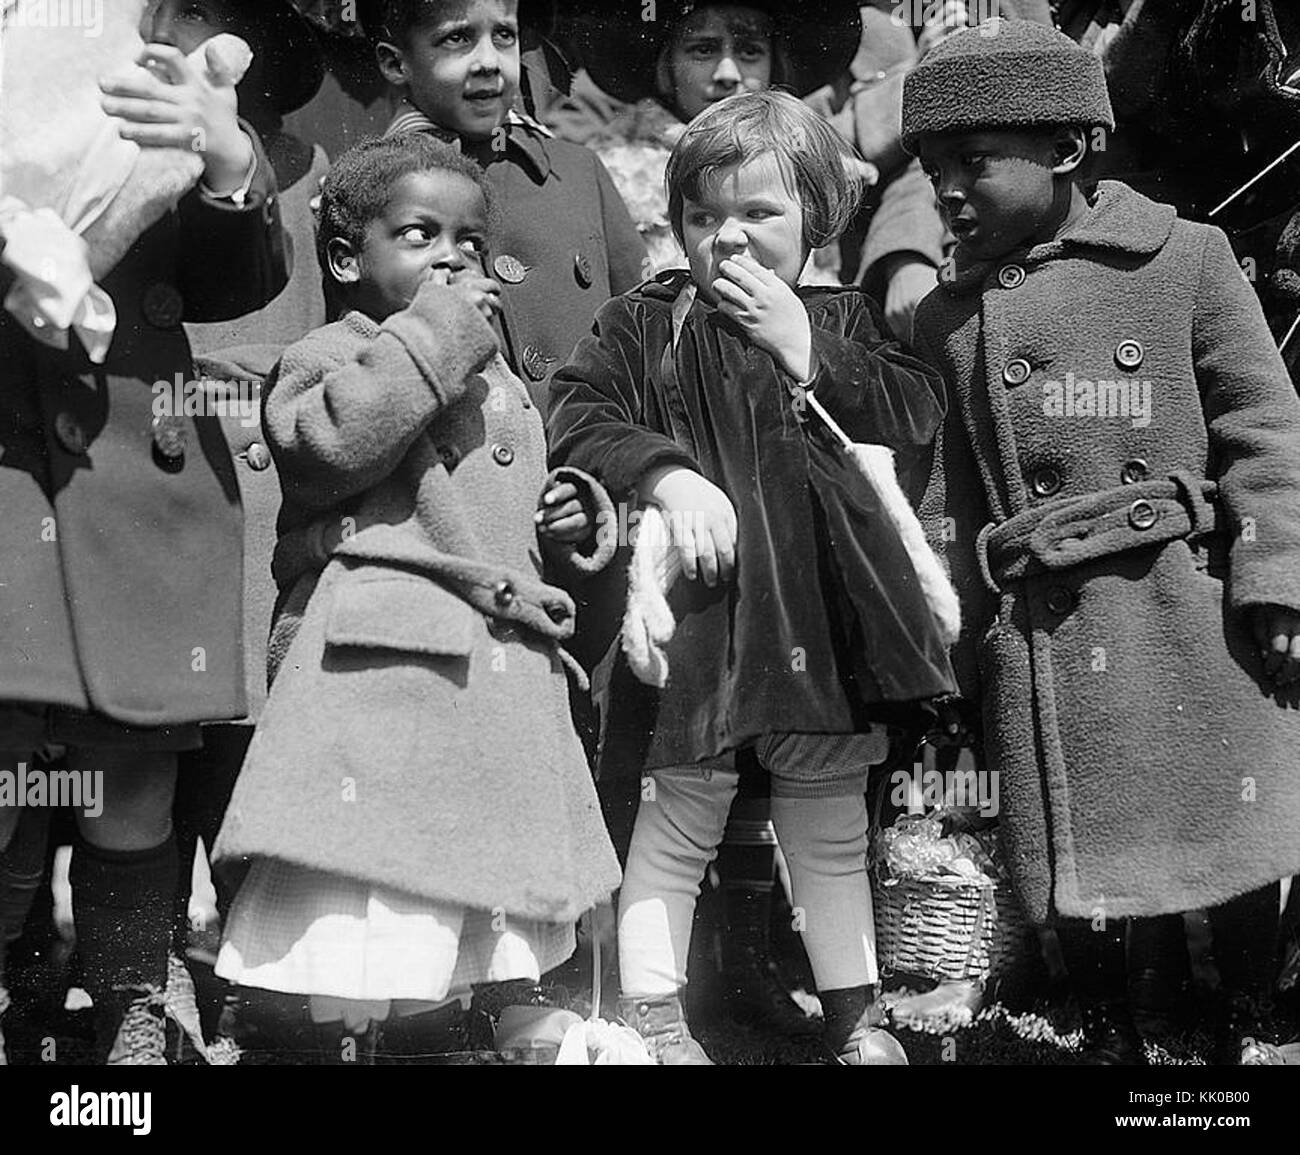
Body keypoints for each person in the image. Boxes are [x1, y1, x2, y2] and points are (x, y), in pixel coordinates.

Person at [905, 19, 1300, 1064]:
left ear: (1069, 149)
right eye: (932, 166)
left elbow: (1263, 430)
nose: (947, 189)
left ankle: (1239, 996)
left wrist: (1273, 578)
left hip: (1184, 597)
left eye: (973, 161)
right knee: (1090, 821)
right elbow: (944, 492)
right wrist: (951, 630)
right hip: (1040, 614)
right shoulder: (945, 318)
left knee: (1212, 803)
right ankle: (1126, 995)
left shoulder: (1184, 260)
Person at [547, 90, 957, 1065]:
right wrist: (668, 473)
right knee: (679, 813)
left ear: (816, 216)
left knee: (822, 826)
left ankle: (857, 1019)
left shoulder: (845, 317)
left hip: (819, 616)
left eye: (757, 214)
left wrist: (803, 346)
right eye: (703, 216)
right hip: (701, 619)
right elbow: (578, 409)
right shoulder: (647, 320)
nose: (726, 238)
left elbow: (914, 410)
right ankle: (654, 1012)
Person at [210, 133, 622, 1063]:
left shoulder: (494, 376)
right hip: (381, 679)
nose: (451, 257)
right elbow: (334, 446)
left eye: (469, 242)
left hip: (479, 680)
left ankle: (433, 1031)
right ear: (349, 259)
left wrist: (571, 516)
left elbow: (501, 497)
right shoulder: (331, 354)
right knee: (364, 900)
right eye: (419, 234)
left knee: (446, 909)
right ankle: (313, 1035)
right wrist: (438, 329)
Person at [0, 7, 287, 1063]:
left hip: (132, 461)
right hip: (10, 470)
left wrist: (220, 152)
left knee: (132, 764)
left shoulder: (139, 55)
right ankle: (15, 982)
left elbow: (234, 275)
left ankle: (132, 990)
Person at [358, 0, 648, 411]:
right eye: (458, 38)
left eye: (504, 35)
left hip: (595, 445)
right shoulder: (374, 190)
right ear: (394, 63)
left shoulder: (576, 170)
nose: (488, 63)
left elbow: (641, 327)